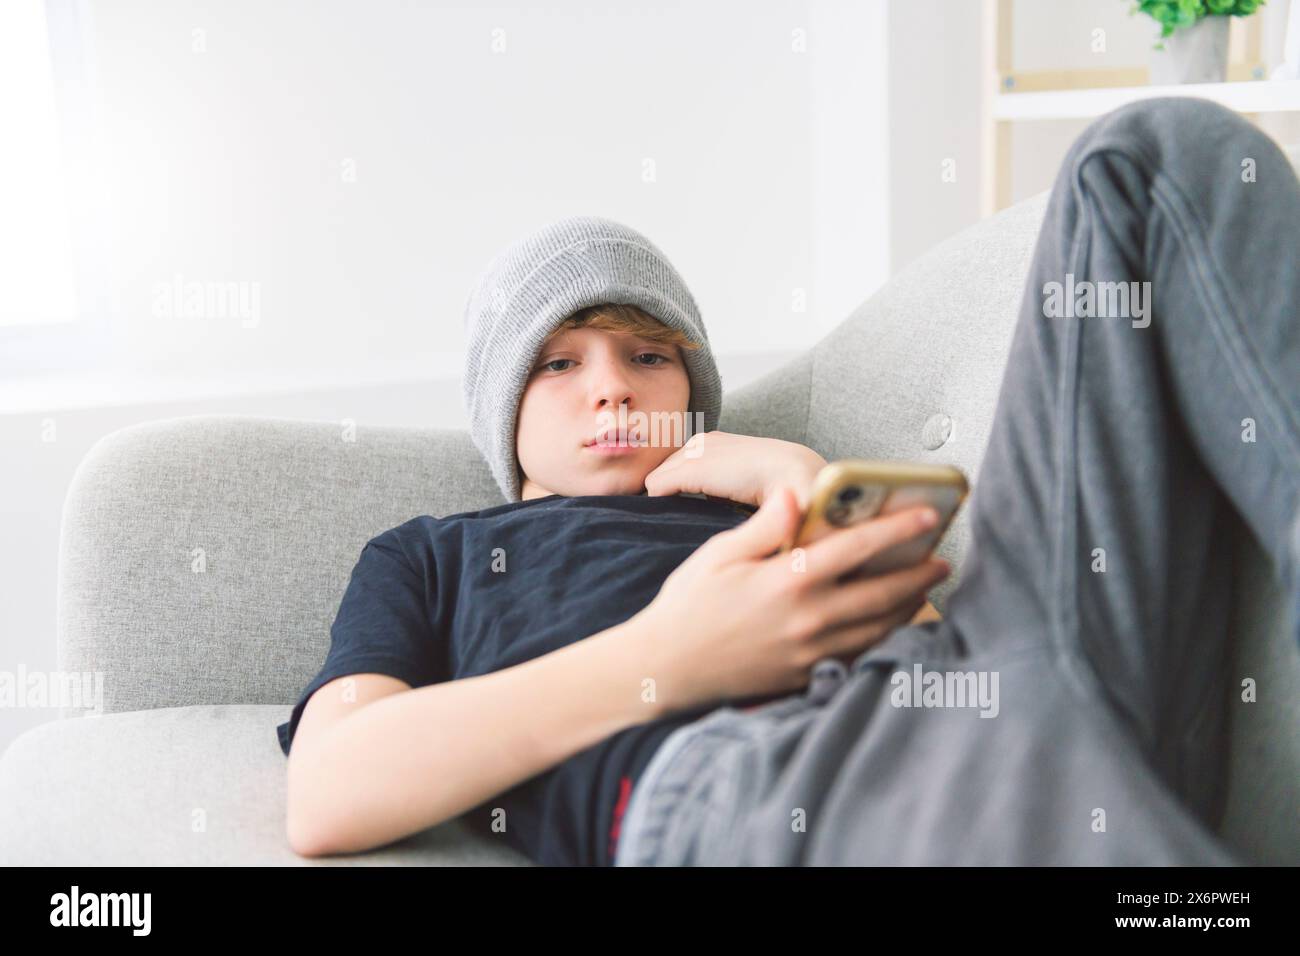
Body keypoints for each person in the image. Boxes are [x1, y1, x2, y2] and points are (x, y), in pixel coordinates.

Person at [280, 96, 1298, 866]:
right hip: (748, 771)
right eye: (557, 362)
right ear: (498, 409)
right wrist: (667, 655)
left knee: (1146, 154)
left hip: (997, 675)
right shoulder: (434, 552)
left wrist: (803, 487)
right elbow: (327, 790)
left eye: (647, 355)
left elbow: (943, 628)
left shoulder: (757, 492)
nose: (611, 390)